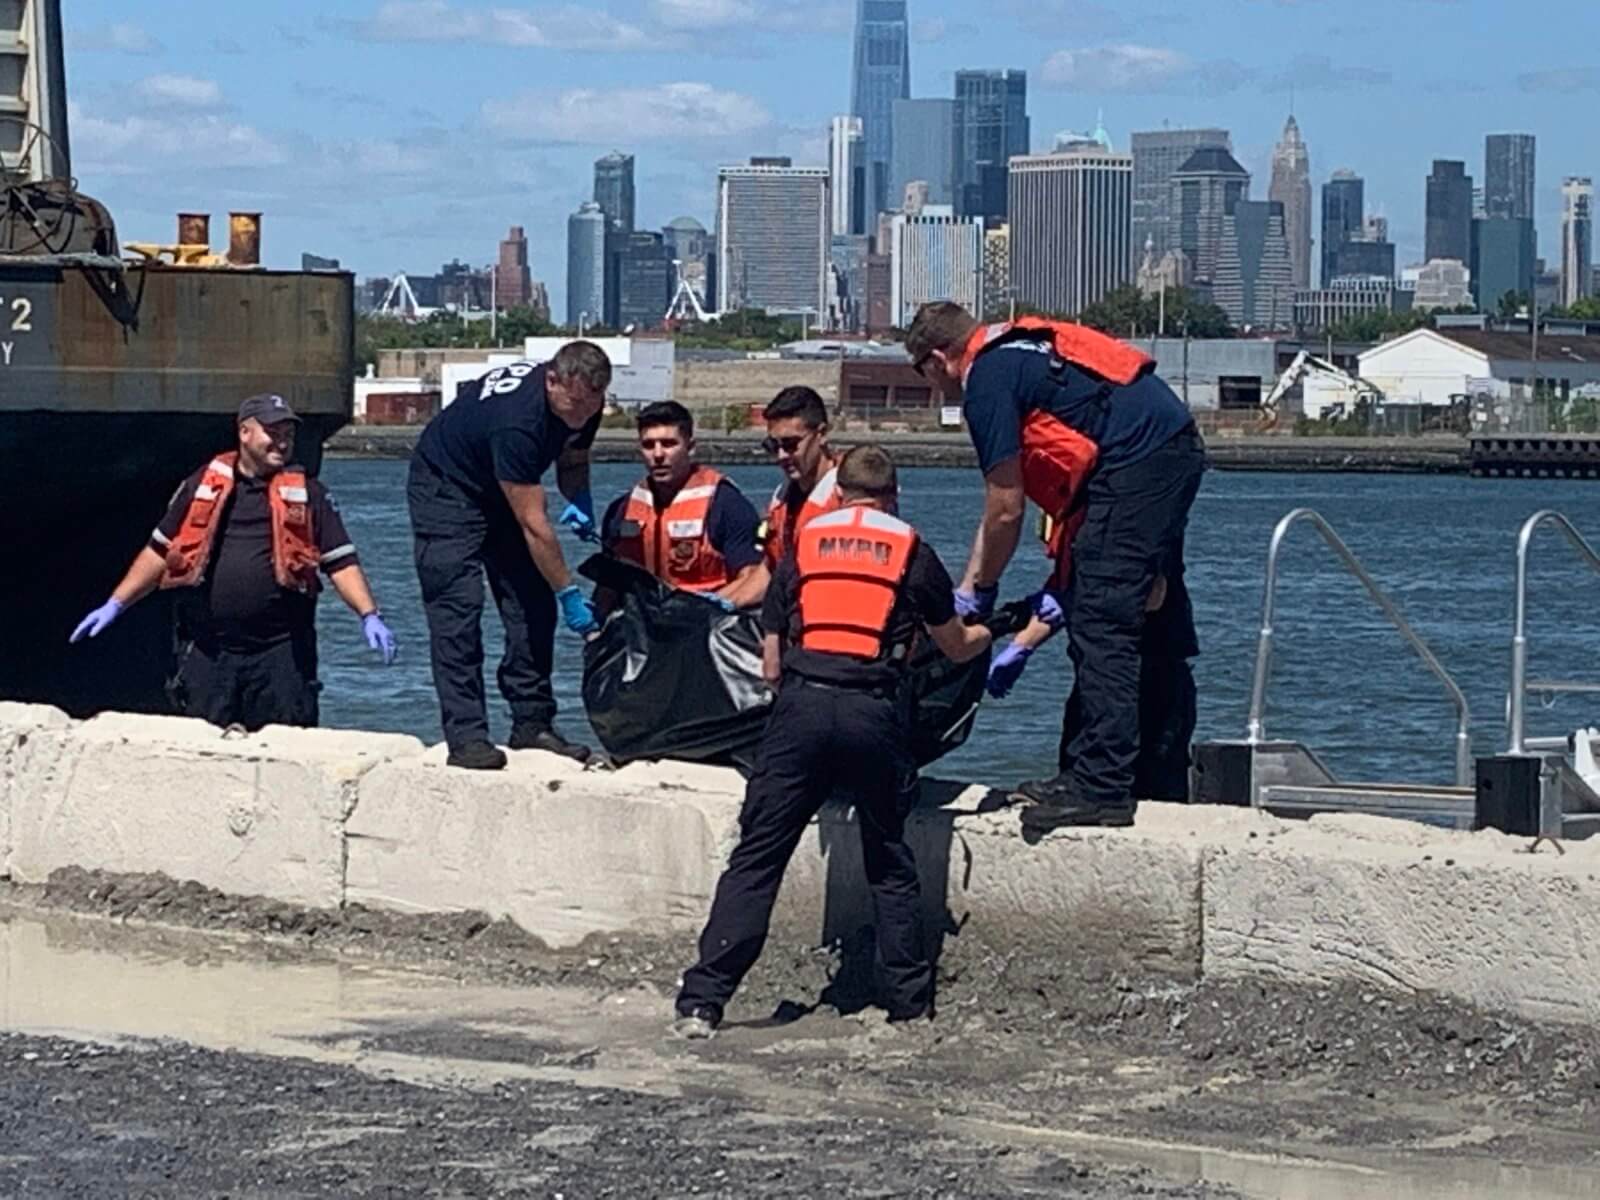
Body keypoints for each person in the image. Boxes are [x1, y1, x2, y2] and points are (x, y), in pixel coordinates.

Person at [673, 444, 993, 1039]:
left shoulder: (806, 542)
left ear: (839, 495)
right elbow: (952, 644)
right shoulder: (911, 548)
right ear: (893, 497)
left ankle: (703, 1002)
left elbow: (771, 653)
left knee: (758, 856)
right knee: (889, 856)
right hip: (873, 712)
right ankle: (907, 1005)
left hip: (800, 708)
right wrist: (991, 635)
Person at [906, 302, 1205, 832]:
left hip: (1137, 461)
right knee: (1143, 599)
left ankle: (1102, 787)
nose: (929, 385)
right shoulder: (1020, 350)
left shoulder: (986, 380)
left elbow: (1004, 506)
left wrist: (981, 591)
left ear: (936, 359)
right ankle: (1133, 774)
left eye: (920, 372)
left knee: (1102, 621)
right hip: (1164, 449)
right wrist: (988, 599)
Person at [68, 393, 397, 730]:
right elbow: (160, 552)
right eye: (273, 433)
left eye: (288, 436)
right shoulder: (200, 487)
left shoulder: (310, 495)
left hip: (280, 653)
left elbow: (341, 562)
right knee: (200, 751)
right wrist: (115, 604)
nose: (282, 444)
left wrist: (368, 615)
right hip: (209, 652)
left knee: (284, 750)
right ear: (244, 433)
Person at [407, 343, 610, 771]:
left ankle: (532, 724)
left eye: (590, 407)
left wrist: (581, 497)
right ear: (551, 381)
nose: (581, 416)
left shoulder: (585, 401)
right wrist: (569, 593)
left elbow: (573, 454)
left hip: (499, 480)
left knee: (532, 604)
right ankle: (467, 736)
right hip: (447, 487)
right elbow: (535, 525)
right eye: (574, 405)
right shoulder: (518, 423)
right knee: (459, 610)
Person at [596, 401, 768, 610]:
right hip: (640, 631)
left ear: (690, 447)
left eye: (668, 444)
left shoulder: (726, 505)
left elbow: (752, 576)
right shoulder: (621, 510)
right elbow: (609, 585)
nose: (658, 455)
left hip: (704, 629)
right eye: (649, 445)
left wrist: (711, 607)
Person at [758, 386, 843, 569]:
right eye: (773, 445)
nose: (781, 455)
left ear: (821, 434)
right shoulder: (781, 498)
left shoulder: (849, 495)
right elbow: (768, 573)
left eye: (790, 444)